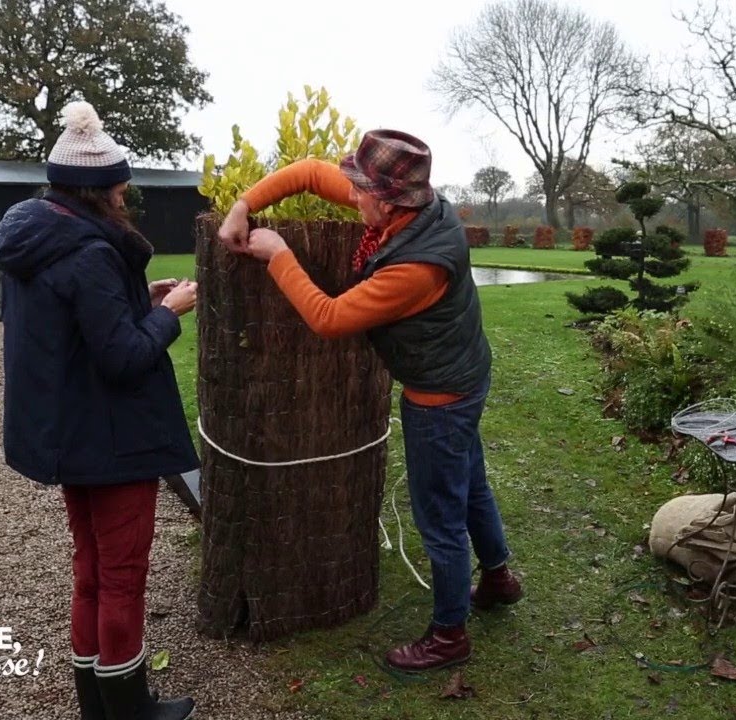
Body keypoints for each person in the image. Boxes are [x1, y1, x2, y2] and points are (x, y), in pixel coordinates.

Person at [216, 129, 523, 672]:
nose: (352, 195)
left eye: (360, 190)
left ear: (386, 200)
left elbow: (329, 318)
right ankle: (498, 578)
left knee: (439, 516)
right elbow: (310, 172)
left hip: (440, 398)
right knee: (469, 482)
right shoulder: (413, 208)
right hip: (466, 374)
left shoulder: (417, 266)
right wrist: (243, 204)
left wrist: (279, 255)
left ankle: (449, 635)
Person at [0, 100, 199, 719]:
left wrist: (140, 299)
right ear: (100, 189)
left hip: (69, 432)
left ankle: (96, 703)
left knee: (91, 567)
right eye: (120, 185)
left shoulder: (39, 238)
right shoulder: (91, 251)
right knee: (123, 574)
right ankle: (130, 708)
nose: (125, 194)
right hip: (113, 440)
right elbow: (123, 357)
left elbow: (78, 327)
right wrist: (169, 314)